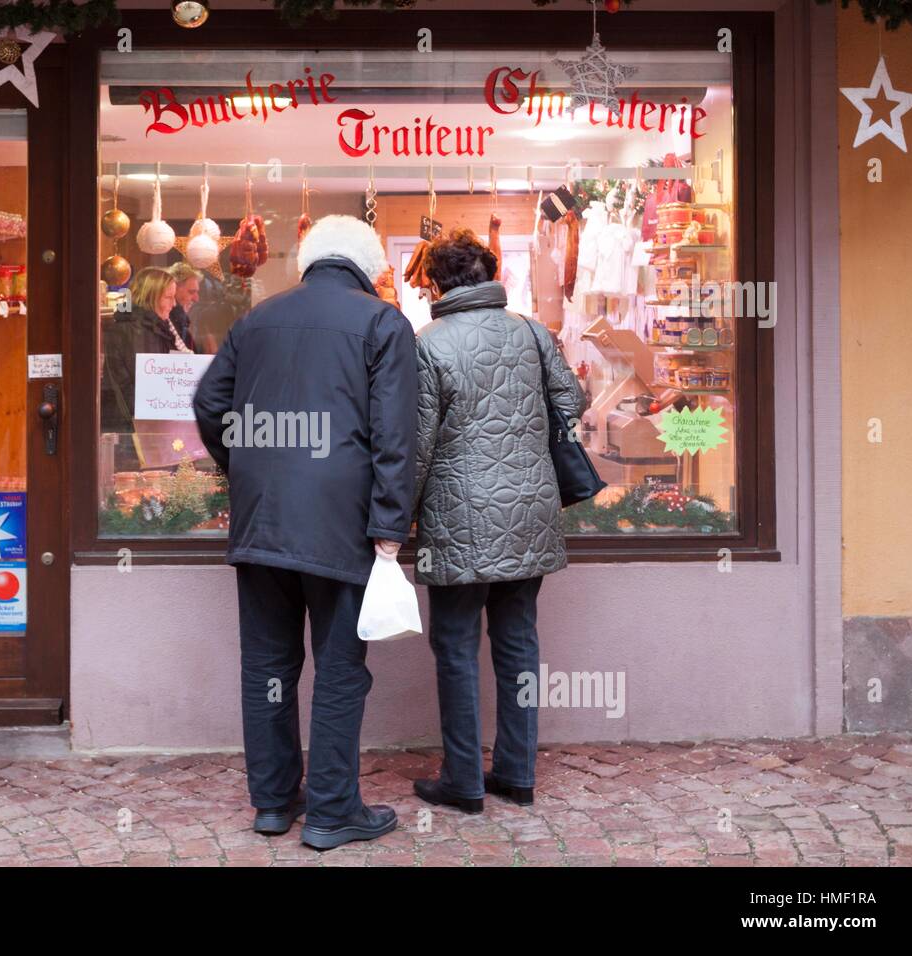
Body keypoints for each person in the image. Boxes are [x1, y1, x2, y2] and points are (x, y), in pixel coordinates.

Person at [193, 215, 417, 850]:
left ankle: (272, 802)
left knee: (268, 663)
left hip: (263, 517)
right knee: (341, 668)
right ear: (369, 268)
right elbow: (395, 438)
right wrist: (391, 528)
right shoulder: (381, 323)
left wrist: (249, 464)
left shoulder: (258, 318)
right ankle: (331, 811)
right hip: (342, 523)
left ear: (309, 262)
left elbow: (211, 404)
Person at [410, 228, 587, 813]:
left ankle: (462, 779)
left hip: (456, 517)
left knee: (456, 646)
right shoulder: (533, 332)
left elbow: (416, 445)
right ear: (493, 274)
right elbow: (572, 401)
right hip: (529, 513)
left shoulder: (428, 343)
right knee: (518, 644)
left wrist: (398, 517)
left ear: (435, 281)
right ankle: (517, 773)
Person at [100, 267, 186, 470]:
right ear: (151, 297)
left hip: (133, 423)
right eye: (168, 298)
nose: (173, 305)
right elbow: (146, 386)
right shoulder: (139, 331)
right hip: (135, 427)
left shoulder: (147, 327)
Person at [166, 261, 202, 351]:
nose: (196, 299)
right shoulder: (163, 324)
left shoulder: (181, 322)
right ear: (173, 289)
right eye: (191, 292)